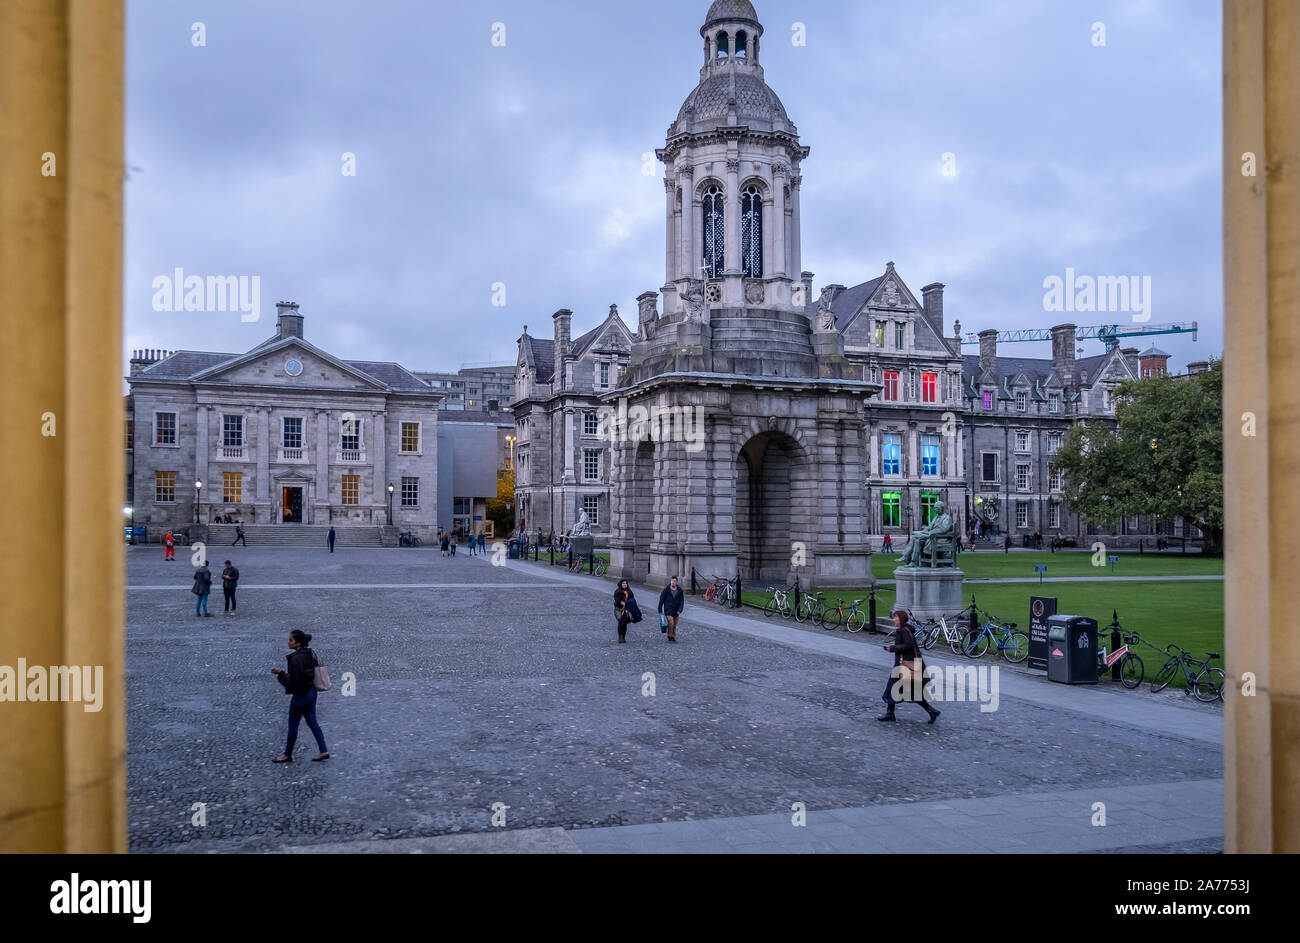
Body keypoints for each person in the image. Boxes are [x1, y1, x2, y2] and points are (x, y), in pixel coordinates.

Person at [271, 629, 328, 763]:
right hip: (312, 692)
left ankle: (287, 754)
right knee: (313, 722)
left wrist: (281, 675)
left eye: (291, 640)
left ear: (298, 643)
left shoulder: (296, 659)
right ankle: (323, 750)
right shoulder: (309, 653)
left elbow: (293, 682)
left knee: (293, 724)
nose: (288, 642)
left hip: (301, 695)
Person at [879, 608, 940, 723]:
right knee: (908, 691)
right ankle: (931, 711)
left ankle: (891, 714)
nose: (894, 619)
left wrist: (892, 648)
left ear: (901, 619)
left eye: (896, 617)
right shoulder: (905, 630)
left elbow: (909, 645)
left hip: (905, 666)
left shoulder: (903, 631)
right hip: (906, 665)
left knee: (897, 689)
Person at [657, 575, 685, 643]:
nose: (673, 582)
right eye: (672, 581)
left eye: (674, 581)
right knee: (671, 623)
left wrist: (680, 610)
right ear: (670, 581)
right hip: (668, 609)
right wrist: (660, 610)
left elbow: (682, 601)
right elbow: (661, 600)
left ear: (677, 582)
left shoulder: (680, 591)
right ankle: (669, 636)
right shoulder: (666, 590)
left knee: (675, 624)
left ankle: (673, 636)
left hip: (676, 610)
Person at [614, 579, 639, 643]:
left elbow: (632, 599)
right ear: (620, 584)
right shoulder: (617, 591)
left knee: (625, 623)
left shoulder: (629, 591)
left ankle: (623, 637)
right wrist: (624, 604)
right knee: (620, 622)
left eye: (626, 583)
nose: (625, 584)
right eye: (623, 583)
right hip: (619, 609)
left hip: (627, 609)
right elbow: (617, 601)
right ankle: (620, 637)